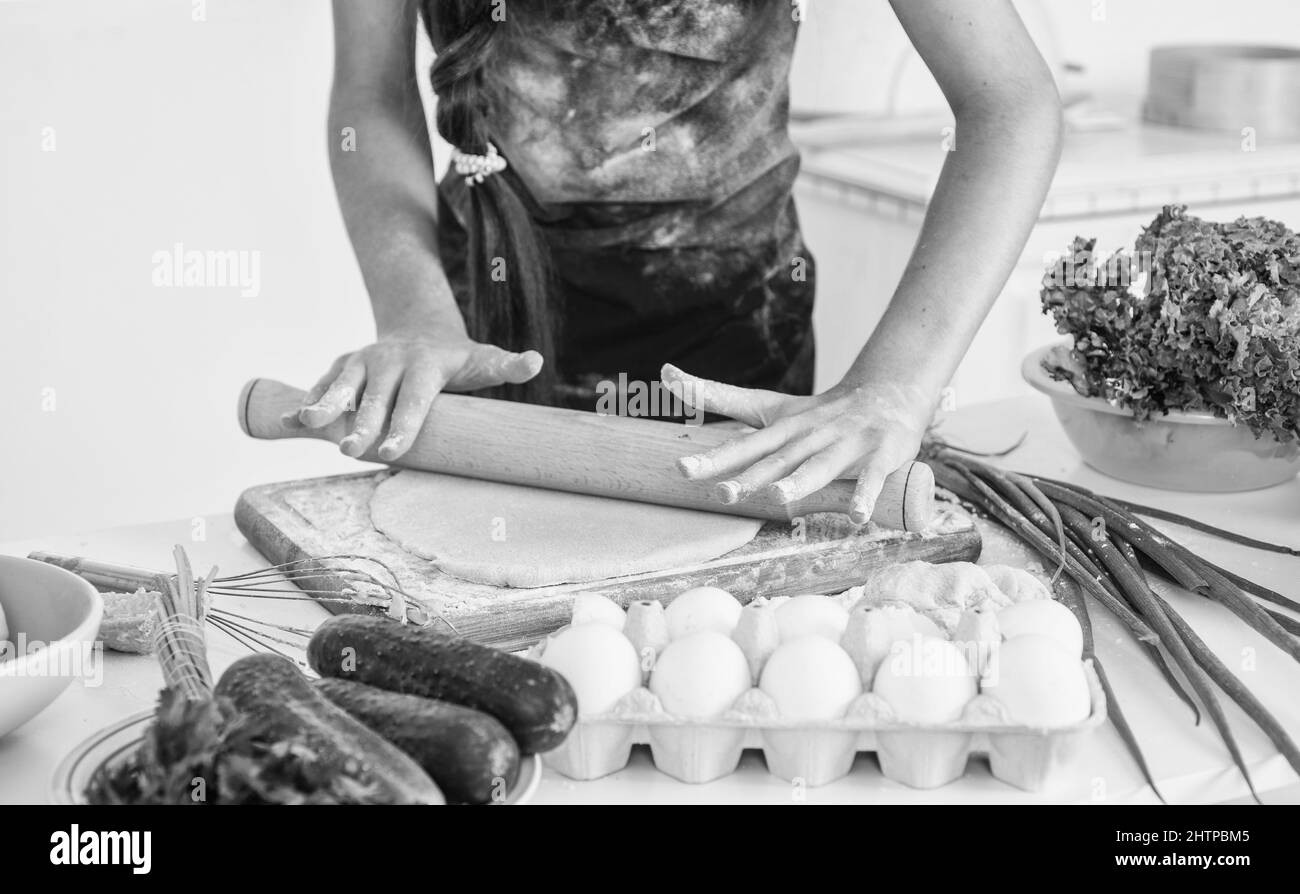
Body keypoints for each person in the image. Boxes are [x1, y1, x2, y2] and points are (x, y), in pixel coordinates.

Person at [293, 0, 1062, 524]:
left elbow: (1010, 106)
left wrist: (897, 384)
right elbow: (370, 94)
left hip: (738, 359)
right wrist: (414, 314)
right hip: (474, 346)